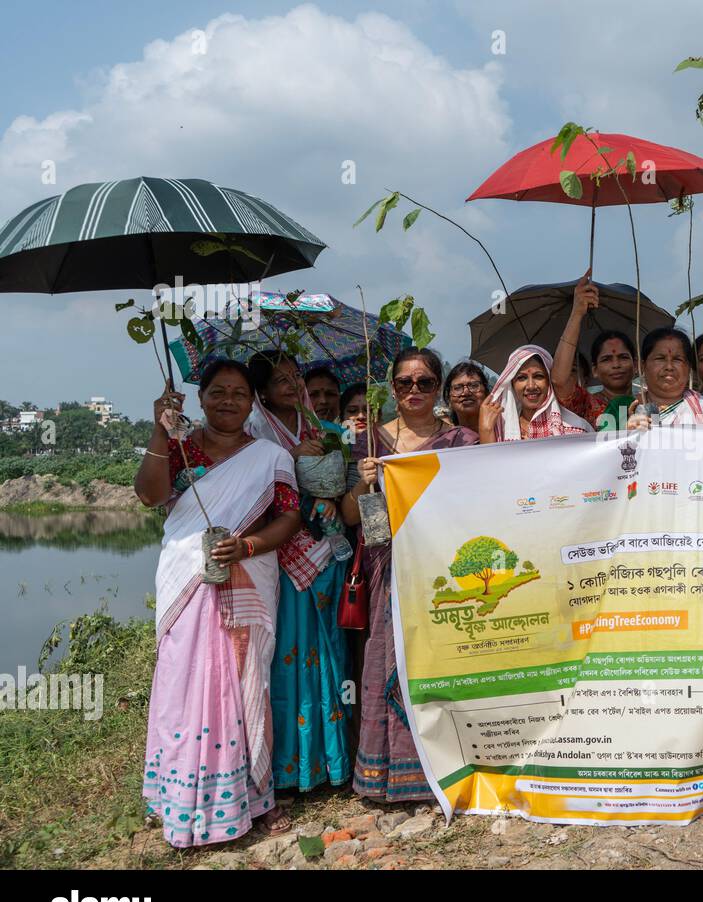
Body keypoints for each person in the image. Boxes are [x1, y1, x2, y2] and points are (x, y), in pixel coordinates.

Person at [134, 361, 303, 847]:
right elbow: (149, 496)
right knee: (183, 681)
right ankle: (178, 799)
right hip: (186, 578)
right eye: (217, 392)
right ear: (200, 397)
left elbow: (289, 518)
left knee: (244, 679)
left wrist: (247, 547)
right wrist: (158, 427)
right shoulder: (180, 448)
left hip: (246, 579)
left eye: (238, 393)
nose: (227, 401)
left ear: (253, 402)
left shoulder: (270, 456)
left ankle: (247, 796)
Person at [339, 347, 479, 802]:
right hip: (387, 564)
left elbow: (476, 505)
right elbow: (348, 514)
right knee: (387, 659)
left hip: (439, 566)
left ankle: (447, 768)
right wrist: (363, 481)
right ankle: (390, 775)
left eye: (424, 382)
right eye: (405, 383)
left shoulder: (461, 442)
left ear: (438, 387)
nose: (414, 390)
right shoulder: (372, 442)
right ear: (392, 388)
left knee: (438, 660)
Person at [245, 352, 353, 795]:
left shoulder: (328, 432)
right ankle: (290, 767)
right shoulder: (251, 436)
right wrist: (290, 456)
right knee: (287, 654)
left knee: (330, 652)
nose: (289, 383)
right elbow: (248, 495)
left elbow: (349, 490)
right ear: (262, 391)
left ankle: (333, 762)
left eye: (294, 375)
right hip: (281, 556)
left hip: (327, 550)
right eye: (277, 379)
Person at [550, 272, 638, 429]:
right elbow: (559, 381)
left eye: (623, 357)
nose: (616, 364)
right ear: (594, 370)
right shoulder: (585, 404)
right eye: (606, 359)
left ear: (637, 365)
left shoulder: (648, 404)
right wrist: (577, 313)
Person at [479, 345, 593, 442]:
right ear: (512, 384)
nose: (531, 386)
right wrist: (486, 430)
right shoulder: (500, 427)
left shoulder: (577, 429)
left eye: (538, 376)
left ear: (549, 382)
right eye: (522, 378)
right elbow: (490, 466)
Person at [625, 328, 703, 428]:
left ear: (688, 367)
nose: (669, 367)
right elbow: (612, 445)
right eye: (660, 358)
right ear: (643, 365)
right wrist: (628, 434)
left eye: (677, 359)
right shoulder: (625, 407)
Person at [443, 361, 490, 430]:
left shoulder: (504, 432)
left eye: (474, 386)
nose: (466, 392)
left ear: (486, 393)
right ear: (448, 398)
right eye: (458, 388)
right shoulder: (444, 438)